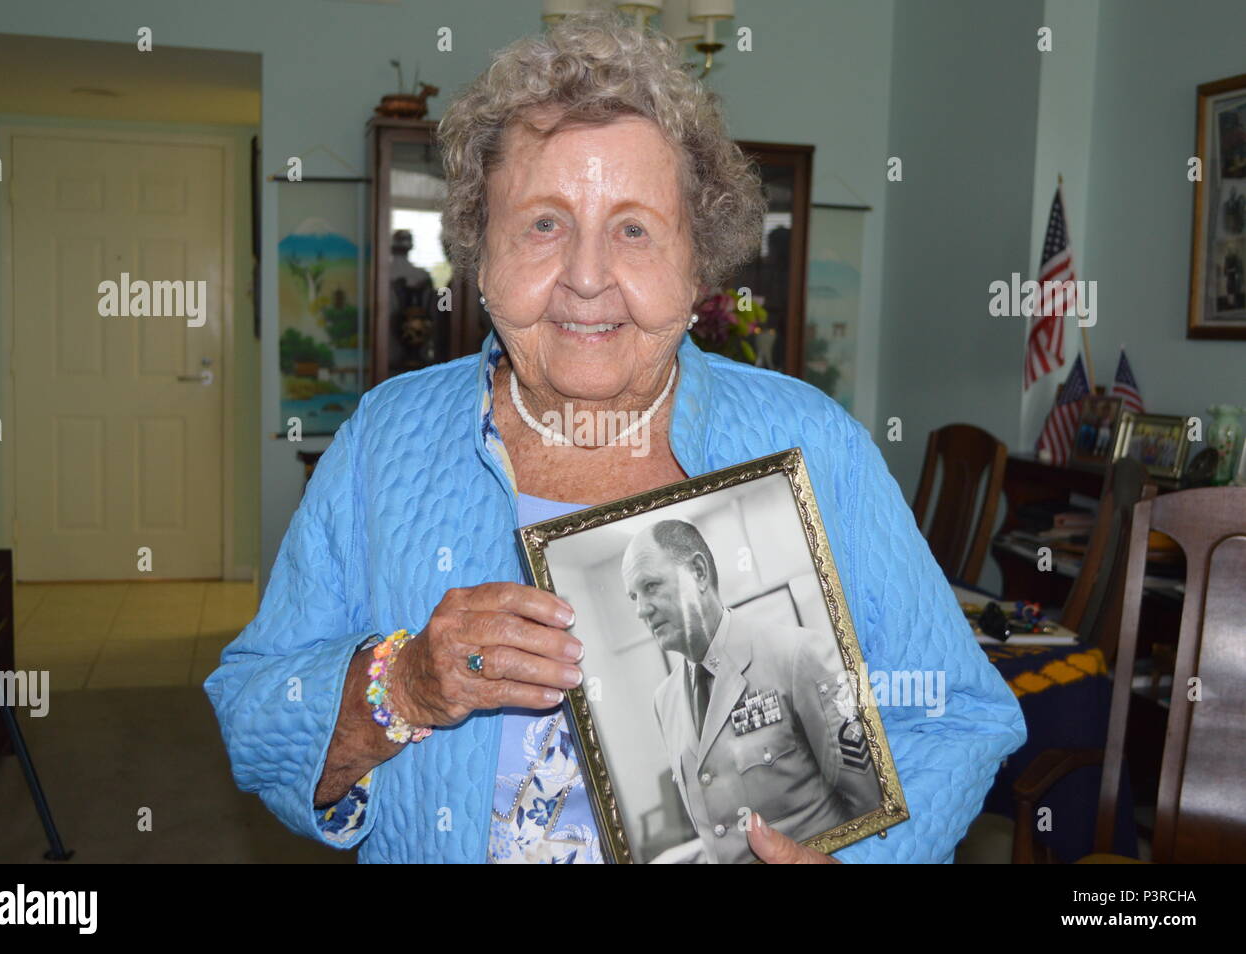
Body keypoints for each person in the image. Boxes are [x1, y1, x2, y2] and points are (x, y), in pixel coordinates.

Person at [204, 11, 1025, 864]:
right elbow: (256, 708)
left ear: (697, 264)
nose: (588, 279)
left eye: (634, 229)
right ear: (481, 254)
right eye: (543, 224)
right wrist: (402, 687)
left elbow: (955, 714)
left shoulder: (813, 441)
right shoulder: (387, 440)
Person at [622, 520, 881, 864]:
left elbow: (871, 806)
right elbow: (720, 829)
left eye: (651, 586)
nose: (641, 610)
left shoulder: (795, 654)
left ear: (698, 572)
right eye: (634, 596)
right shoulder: (664, 701)